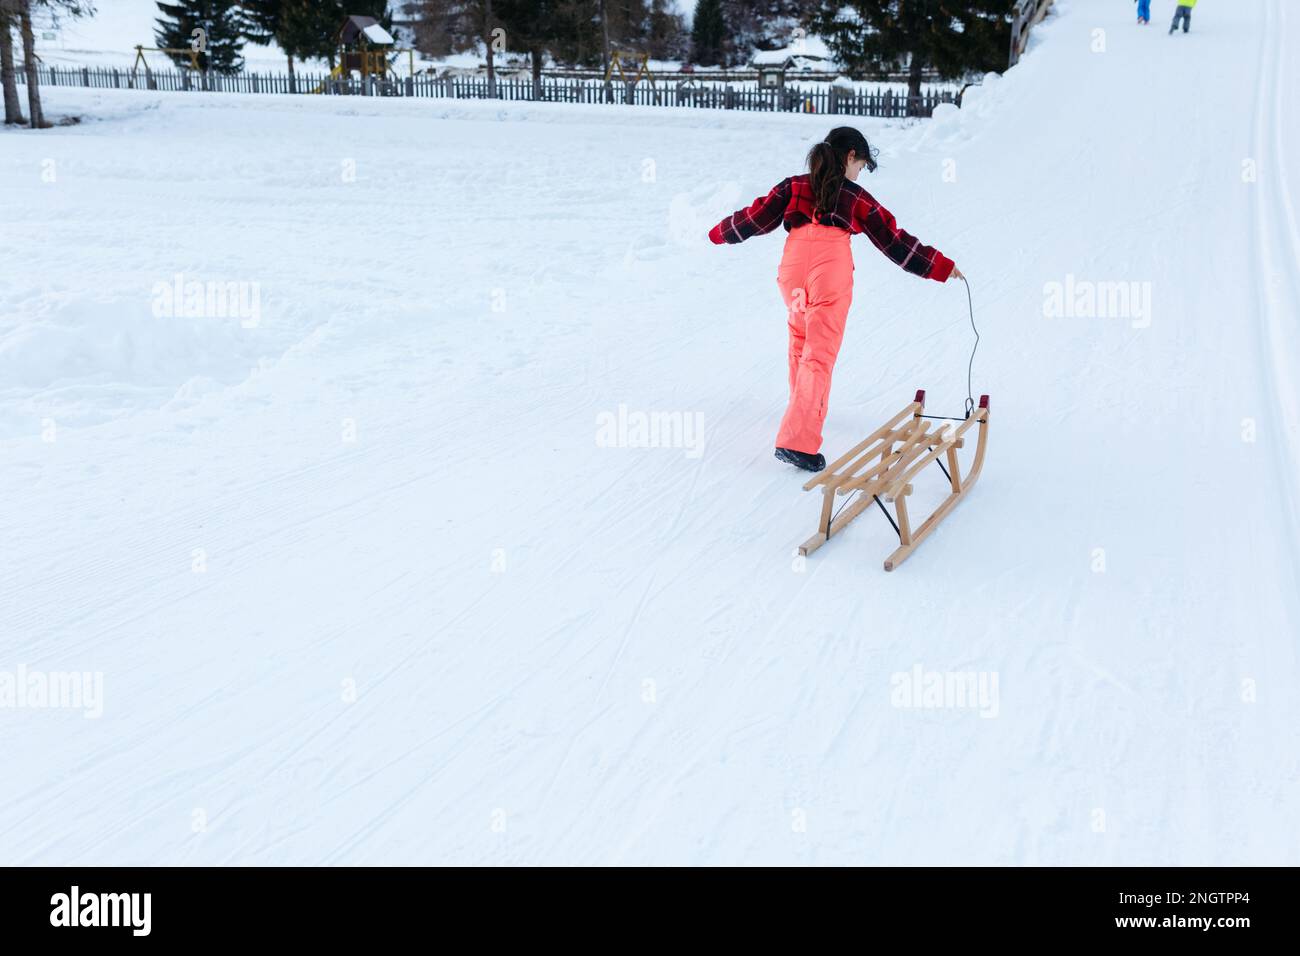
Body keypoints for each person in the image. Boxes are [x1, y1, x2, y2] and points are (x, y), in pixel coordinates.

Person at [707, 127, 960, 473]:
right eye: (860, 166)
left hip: (793, 272)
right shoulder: (855, 196)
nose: (859, 174)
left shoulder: (793, 186)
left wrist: (721, 232)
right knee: (819, 355)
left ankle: (802, 415)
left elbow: (757, 216)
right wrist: (940, 267)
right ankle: (797, 440)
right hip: (829, 273)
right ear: (851, 155)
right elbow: (894, 242)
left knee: (800, 342)